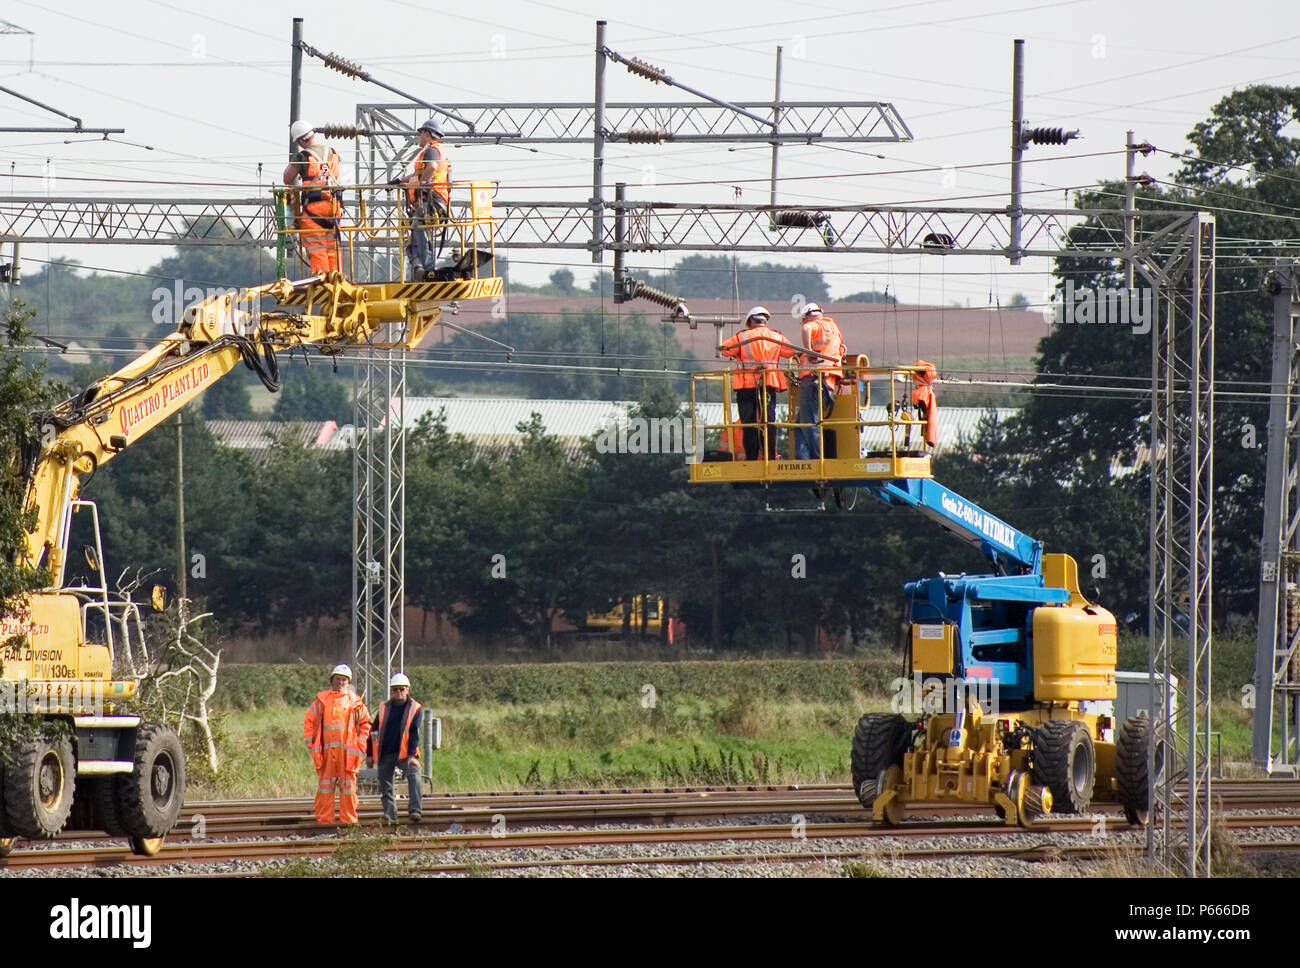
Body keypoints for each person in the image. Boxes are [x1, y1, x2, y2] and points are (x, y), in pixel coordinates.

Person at [719, 306, 798, 461]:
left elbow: (725, 350)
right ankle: (769, 455)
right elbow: (791, 352)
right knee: (768, 421)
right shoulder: (776, 336)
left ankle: (752, 457)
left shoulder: (742, 337)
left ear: (750, 321)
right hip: (768, 384)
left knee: (749, 424)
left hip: (746, 386)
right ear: (765, 321)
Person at [303, 663, 371, 826]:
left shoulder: (356, 702)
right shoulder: (321, 701)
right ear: (332, 680)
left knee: (348, 789)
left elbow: (365, 723)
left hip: (348, 755)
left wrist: (361, 743)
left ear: (348, 682)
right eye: (338, 679)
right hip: (326, 754)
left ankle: (349, 822)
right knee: (325, 788)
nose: (340, 682)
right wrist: (312, 742)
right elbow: (309, 721)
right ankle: (325, 821)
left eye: (344, 680)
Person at [282, 120, 343, 276]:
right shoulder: (333, 153)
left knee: (316, 244)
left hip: (315, 208)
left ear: (301, 140)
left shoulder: (303, 156)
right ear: (312, 133)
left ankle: (321, 275)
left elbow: (287, 179)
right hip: (335, 206)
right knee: (332, 245)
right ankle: (336, 275)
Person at [367, 672, 424, 824]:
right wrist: (370, 754)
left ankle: (415, 810)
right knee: (386, 785)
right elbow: (373, 731)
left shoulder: (415, 708)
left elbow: (414, 733)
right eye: (395, 689)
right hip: (385, 753)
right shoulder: (385, 708)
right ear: (391, 691)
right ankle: (391, 817)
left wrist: (412, 756)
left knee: (414, 774)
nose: (398, 692)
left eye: (401, 689)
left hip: (405, 754)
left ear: (407, 690)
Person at [794, 302, 845, 461]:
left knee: (809, 423)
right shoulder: (833, 328)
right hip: (826, 382)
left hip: (814, 380)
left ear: (807, 316)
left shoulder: (813, 325)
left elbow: (806, 329)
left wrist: (808, 351)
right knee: (800, 424)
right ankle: (803, 459)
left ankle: (816, 461)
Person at [402, 118, 451, 281]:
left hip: (431, 199)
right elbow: (420, 173)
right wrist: (401, 180)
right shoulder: (436, 151)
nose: (419, 137)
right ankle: (419, 267)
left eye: (420, 133)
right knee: (416, 235)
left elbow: (431, 168)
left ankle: (427, 270)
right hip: (430, 200)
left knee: (420, 229)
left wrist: (423, 185)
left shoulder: (432, 150)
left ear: (427, 134)